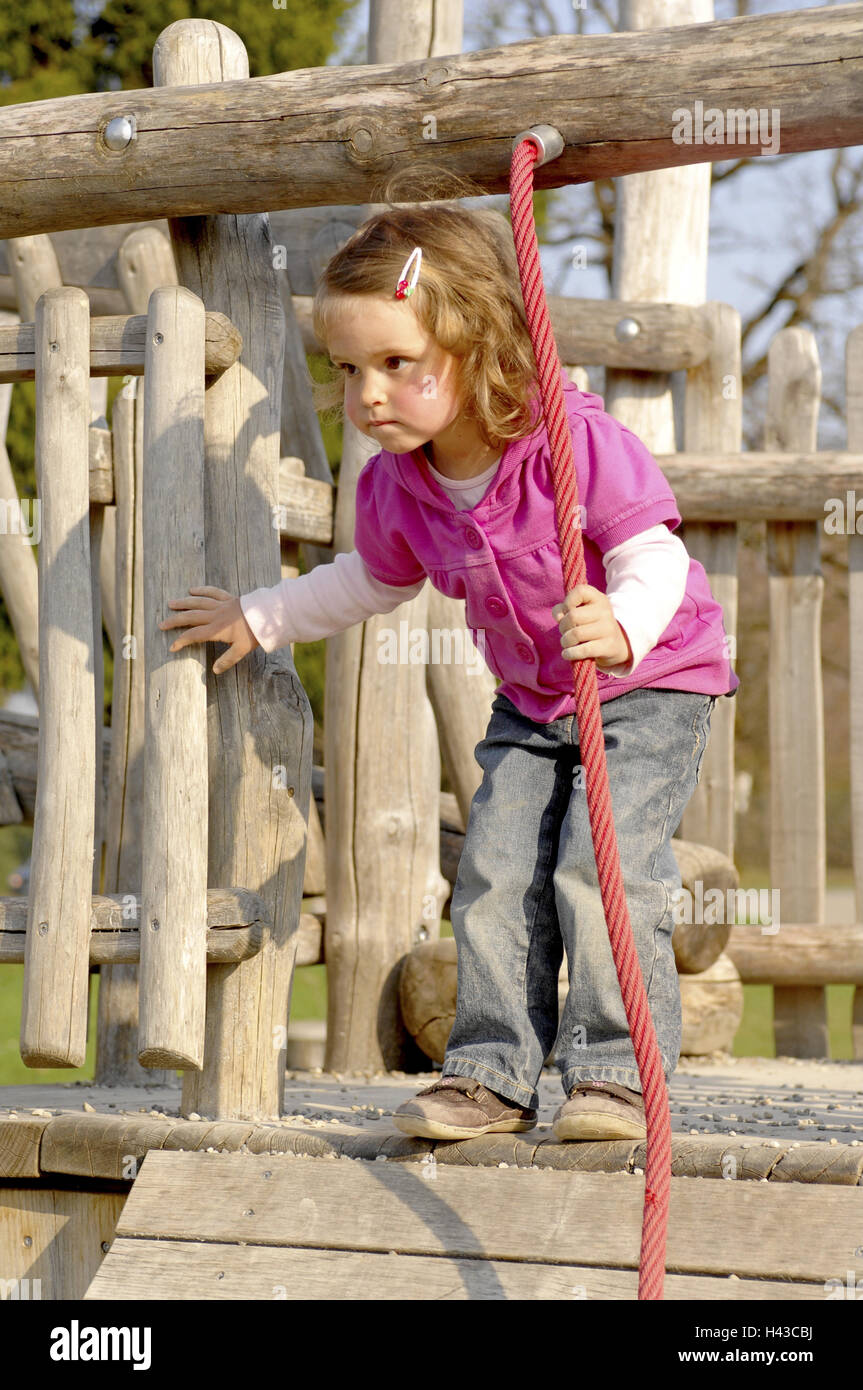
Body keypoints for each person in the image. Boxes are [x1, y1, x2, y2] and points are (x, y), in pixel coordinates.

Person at [159, 196, 739, 1144]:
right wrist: (260, 616)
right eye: (348, 370)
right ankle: (492, 1077)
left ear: (478, 346)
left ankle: (614, 1078)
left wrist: (623, 624)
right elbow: (364, 584)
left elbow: (655, 554)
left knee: (601, 866)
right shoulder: (399, 484)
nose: (367, 395)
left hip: (652, 677)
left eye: (397, 364)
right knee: (497, 870)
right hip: (533, 699)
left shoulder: (566, 442)